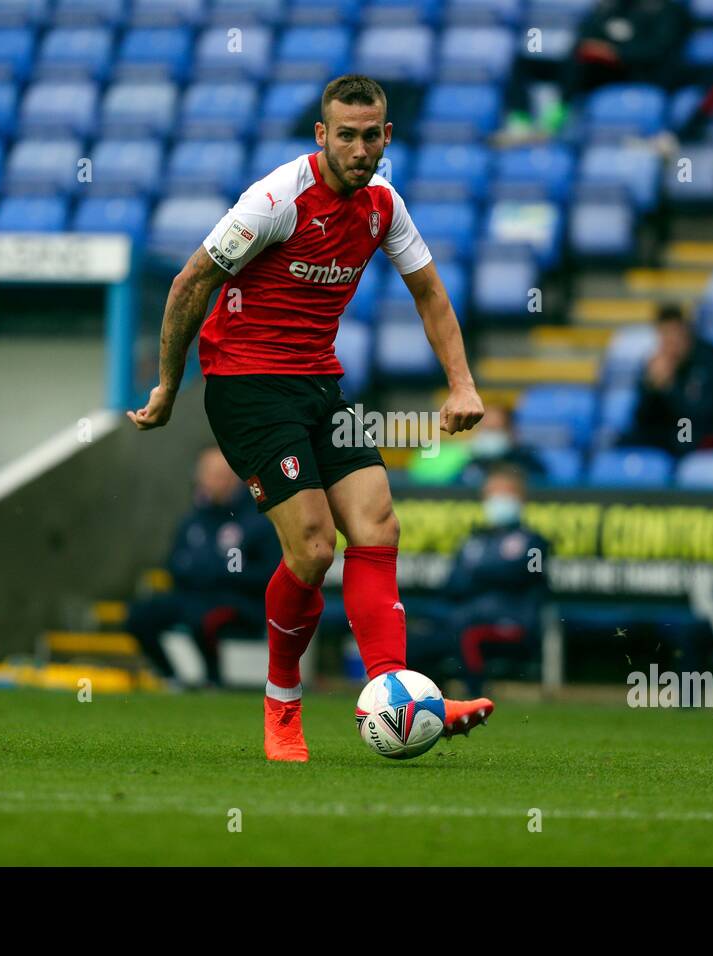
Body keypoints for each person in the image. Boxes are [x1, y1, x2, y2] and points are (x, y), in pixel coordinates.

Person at [127, 75, 492, 762]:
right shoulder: (275, 201)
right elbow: (189, 284)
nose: (360, 149)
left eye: (371, 135)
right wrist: (168, 388)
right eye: (346, 136)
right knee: (315, 548)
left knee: (378, 521)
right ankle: (282, 704)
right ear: (321, 136)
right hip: (245, 384)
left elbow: (431, 296)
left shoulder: (385, 205)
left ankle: (402, 696)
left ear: (388, 137)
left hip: (319, 382)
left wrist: (461, 384)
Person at [124, 447, 280, 685]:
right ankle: (170, 678)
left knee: (203, 619)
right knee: (139, 615)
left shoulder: (258, 520)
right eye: (207, 473)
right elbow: (174, 565)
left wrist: (221, 574)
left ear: (235, 478)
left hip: (238, 602)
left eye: (219, 474)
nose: (211, 480)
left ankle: (213, 680)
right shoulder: (193, 520)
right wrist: (202, 571)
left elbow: (270, 574)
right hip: (191, 596)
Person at [408, 465, 552, 697]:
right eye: (491, 494)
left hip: (511, 621)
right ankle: (431, 701)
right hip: (461, 618)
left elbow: (524, 575)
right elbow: (453, 583)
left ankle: (476, 698)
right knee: (415, 641)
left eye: (504, 494)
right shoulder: (474, 542)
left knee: (468, 635)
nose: (497, 501)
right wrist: (487, 574)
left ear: (520, 498)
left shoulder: (534, 542)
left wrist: (479, 574)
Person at [499, 0, 692, 141]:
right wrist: (596, 49)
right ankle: (520, 122)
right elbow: (583, 39)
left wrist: (615, 53)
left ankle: (553, 121)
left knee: (579, 63)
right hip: (589, 69)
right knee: (524, 62)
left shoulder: (669, 9)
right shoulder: (610, 7)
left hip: (631, 73)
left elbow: (660, 50)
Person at [621, 305, 713, 457]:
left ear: (685, 332)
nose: (670, 342)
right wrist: (650, 387)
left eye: (674, 334)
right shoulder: (656, 362)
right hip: (671, 431)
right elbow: (640, 417)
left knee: (684, 439)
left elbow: (702, 412)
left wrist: (670, 388)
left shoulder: (708, 357)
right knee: (626, 441)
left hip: (705, 431)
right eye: (664, 335)